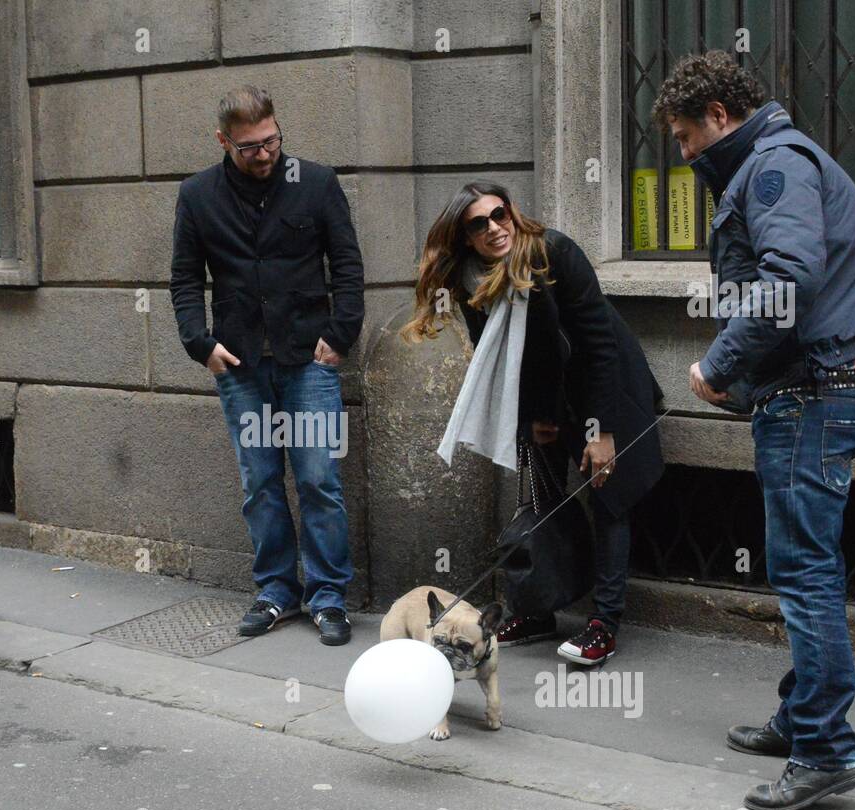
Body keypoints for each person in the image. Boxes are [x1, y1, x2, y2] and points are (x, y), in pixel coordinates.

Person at [655, 51, 855, 810]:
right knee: (802, 565)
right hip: (811, 388)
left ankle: (825, 750)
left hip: (811, 394)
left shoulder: (775, 166)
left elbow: (788, 279)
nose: (684, 155)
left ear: (720, 114)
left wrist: (717, 364)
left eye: (687, 137)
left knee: (804, 573)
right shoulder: (776, 162)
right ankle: (801, 718)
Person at [407, 182, 665, 664]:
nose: (493, 228)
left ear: (512, 212)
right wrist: (534, 418)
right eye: (478, 224)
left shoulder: (554, 253)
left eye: (499, 214)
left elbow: (597, 343)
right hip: (548, 397)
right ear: (464, 237)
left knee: (609, 497)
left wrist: (602, 431)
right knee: (544, 499)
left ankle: (604, 625)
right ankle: (541, 608)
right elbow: (503, 358)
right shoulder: (470, 279)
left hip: (604, 388)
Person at [170, 86, 365, 646]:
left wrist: (340, 332)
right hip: (240, 364)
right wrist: (199, 343)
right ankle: (277, 591)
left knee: (318, 479)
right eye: (250, 147)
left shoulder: (319, 183)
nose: (265, 154)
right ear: (223, 141)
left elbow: (347, 265)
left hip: (309, 359)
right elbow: (185, 278)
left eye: (272, 140)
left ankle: (328, 596)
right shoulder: (198, 195)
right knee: (260, 482)